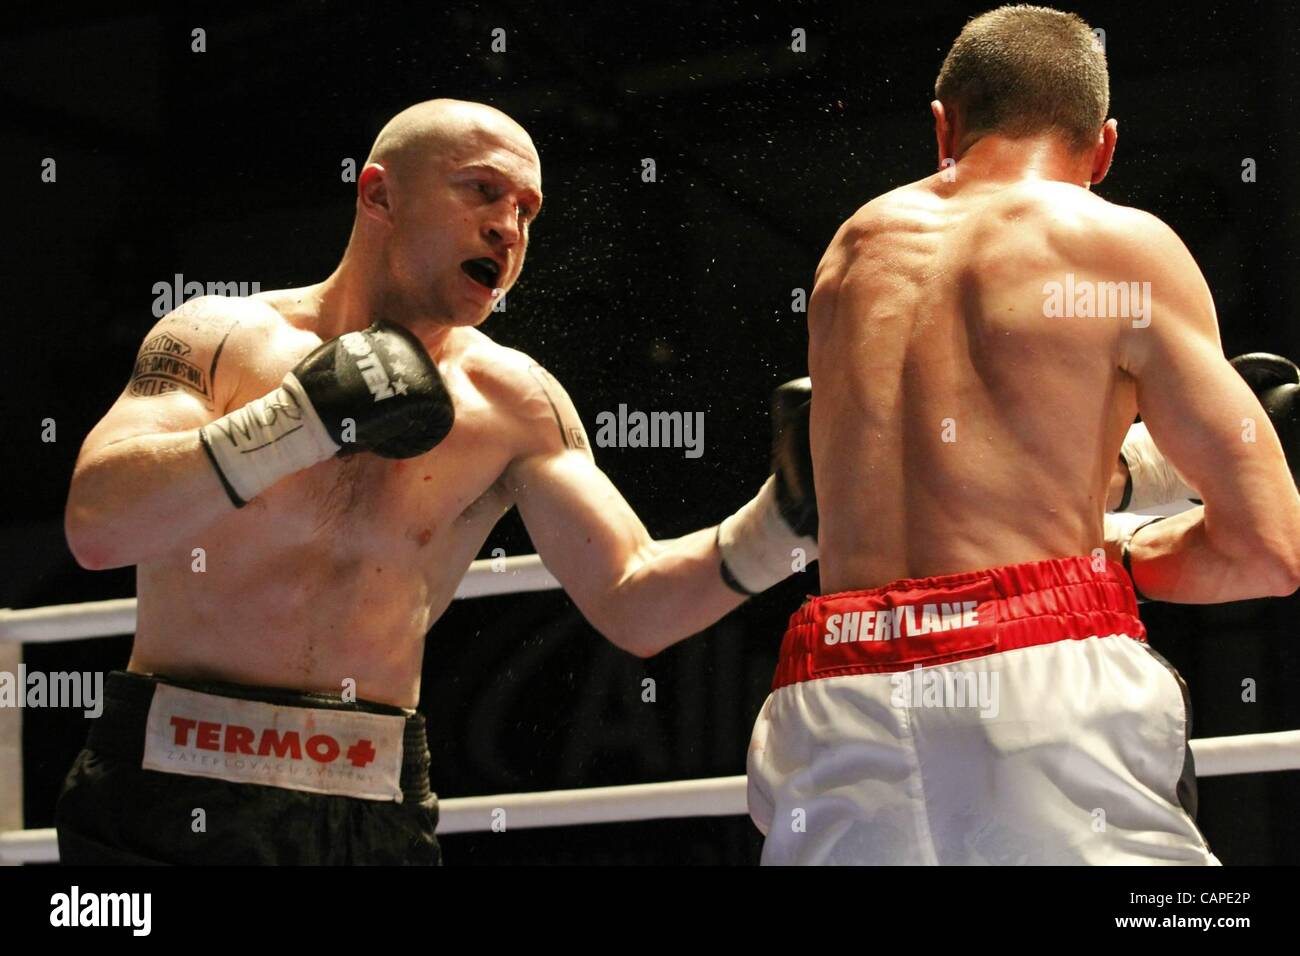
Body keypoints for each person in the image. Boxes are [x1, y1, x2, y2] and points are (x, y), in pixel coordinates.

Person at [57, 98, 817, 865]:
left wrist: (779, 526)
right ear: (379, 193)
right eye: (482, 191)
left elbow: (633, 600)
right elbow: (97, 526)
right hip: (167, 779)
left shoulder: (515, 403)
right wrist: (295, 422)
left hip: (366, 801)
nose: (508, 228)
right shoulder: (218, 336)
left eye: (526, 211)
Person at [746, 5, 1300, 865]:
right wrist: (1116, 558)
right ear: (1103, 148)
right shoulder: (1119, 244)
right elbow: (1269, 548)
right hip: (1033, 676)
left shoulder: (849, 253)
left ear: (944, 126)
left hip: (832, 688)